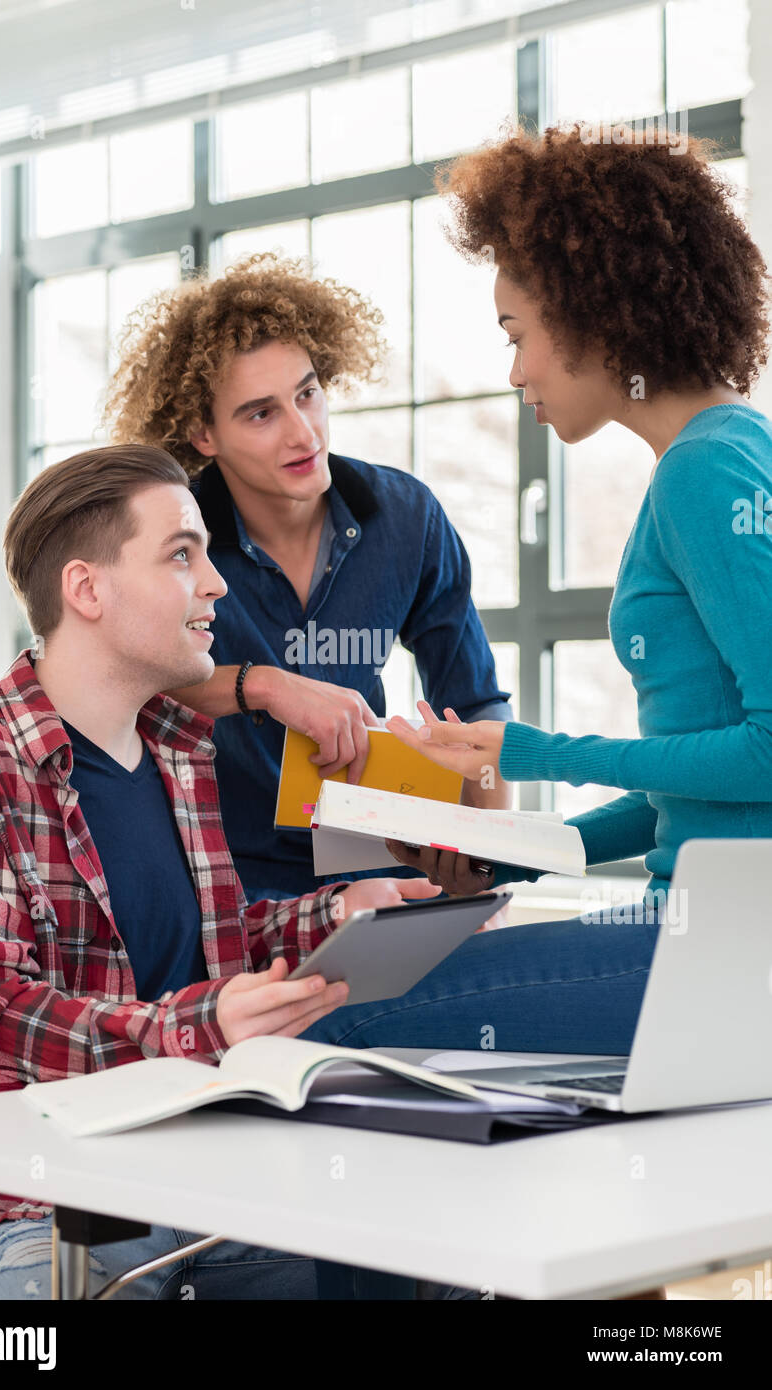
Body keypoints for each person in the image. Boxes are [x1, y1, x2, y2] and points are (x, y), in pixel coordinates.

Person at [0, 443, 452, 1301]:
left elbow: (212, 946)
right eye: (180, 554)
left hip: (200, 1170)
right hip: (27, 1197)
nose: (216, 585)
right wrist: (195, 1028)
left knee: (432, 1259)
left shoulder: (179, 750)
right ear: (87, 590)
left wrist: (342, 912)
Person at [292, 122, 772, 1098]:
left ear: (593, 310)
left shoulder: (703, 475)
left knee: (324, 1016)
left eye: (517, 334)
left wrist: (526, 753)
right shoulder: (735, 454)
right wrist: (511, 853)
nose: (516, 375)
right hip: (713, 939)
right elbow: (711, 790)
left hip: (712, 957)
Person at [103, 254, 513, 905]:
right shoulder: (166, 533)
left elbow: (476, 704)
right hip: (219, 879)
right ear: (203, 432)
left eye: (307, 393)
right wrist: (262, 686)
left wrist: (487, 864)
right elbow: (122, 685)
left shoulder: (407, 517)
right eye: (261, 414)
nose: (303, 433)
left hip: (377, 861)